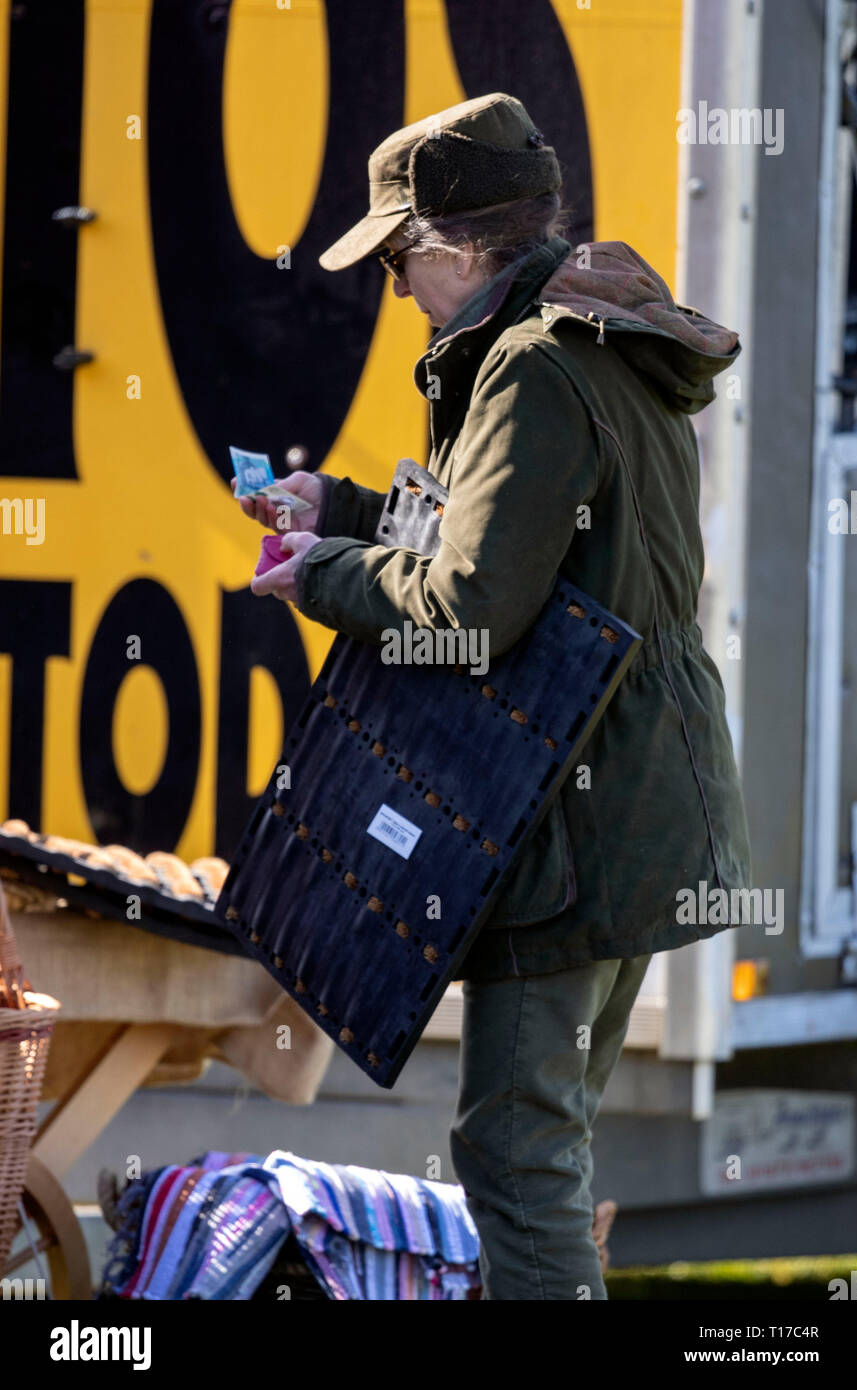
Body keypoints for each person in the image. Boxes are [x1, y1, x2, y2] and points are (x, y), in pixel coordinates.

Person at [234, 92, 752, 1300]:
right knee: (542, 1143)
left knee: (513, 1155)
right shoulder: (590, 340)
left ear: (460, 248)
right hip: (632, 804)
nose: (397, 287)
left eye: (401, 258)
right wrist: (350, 514)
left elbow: (469, 610)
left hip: (573, 822)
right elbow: (509, 550)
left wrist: (322, 576)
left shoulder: (529, 365)